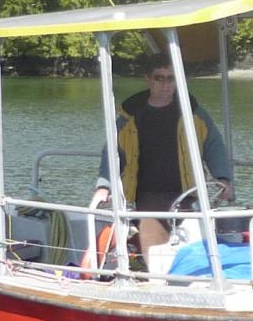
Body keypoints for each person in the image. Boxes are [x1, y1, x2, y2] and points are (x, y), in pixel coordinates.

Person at [91, 60, 231, 248]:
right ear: (148, 79)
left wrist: (223, 179)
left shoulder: (195, 114)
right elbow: (113, 153)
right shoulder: (129, 117)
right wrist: (104, 186)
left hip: (188, 196)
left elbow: (214, 147)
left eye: (171, 78)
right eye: (159, 78)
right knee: (154, 251)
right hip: (147, 197)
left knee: (194, 250)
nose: (165, 84)